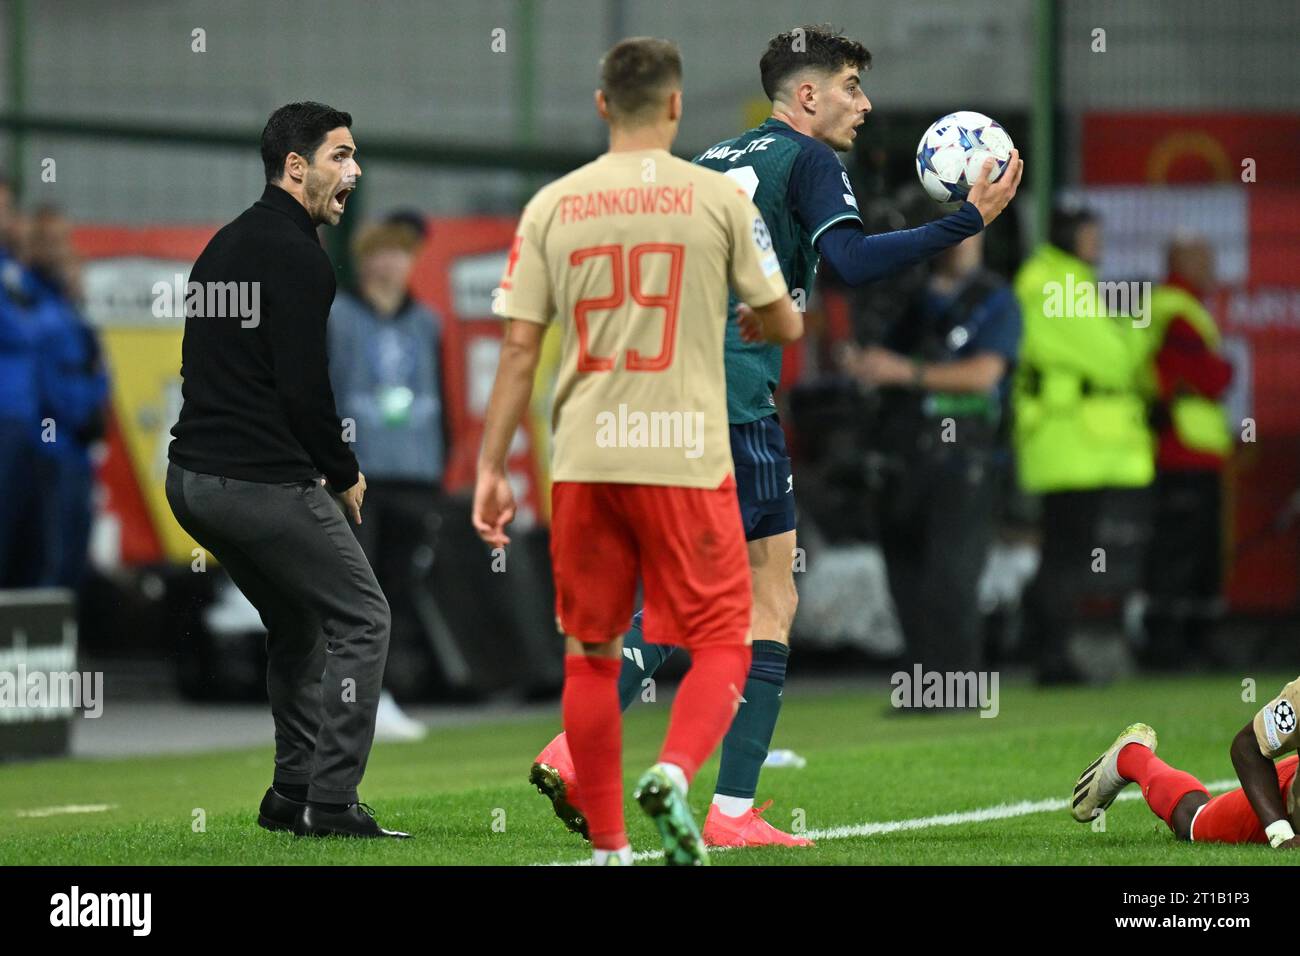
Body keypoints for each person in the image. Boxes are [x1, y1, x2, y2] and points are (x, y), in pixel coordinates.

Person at [531, 24, 1022, 849]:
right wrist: (965, 221)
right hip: (732, 401)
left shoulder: (716, 156)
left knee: (754, 592)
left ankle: (716, 801)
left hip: (667, 390)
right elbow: (857, 263)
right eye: (852, 88)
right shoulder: (810, 161)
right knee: (735, 600)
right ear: (807, 96)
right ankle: (671, 788)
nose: (864, 106)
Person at [475, 36, 799, 865]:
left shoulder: (552, 205)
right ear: (677, 107)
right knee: (728, 632)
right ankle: (678, 772)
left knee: (592, 651)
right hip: (684, 448)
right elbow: (781, 316)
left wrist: (490, 466)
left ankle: (612, 849)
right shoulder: (716, 198)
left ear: (600, 107)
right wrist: (771, 318)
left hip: (584, 454)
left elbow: (517, 350)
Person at [166, 101, 406, 839]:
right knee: (365, 617)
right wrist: (342, 471)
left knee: (298, 624)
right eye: (341, 156)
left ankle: (290, 791)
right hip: (255, 480)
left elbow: (203, 367)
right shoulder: (300, 257)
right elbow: (304, 390)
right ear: (295, 167)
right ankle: (331, 801)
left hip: (193, 481)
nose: (354, 172)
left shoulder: (225, 245)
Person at [846, 229, 1021, 679]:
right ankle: (922, 686)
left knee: (953, 578)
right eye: (951, 232)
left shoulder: (995, 299)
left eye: (969, 233)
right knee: (907, 577)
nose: (959, 244)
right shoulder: (908, 298)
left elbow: (984, 374)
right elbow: (868, 356)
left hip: (967, 458)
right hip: (904, 455)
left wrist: (904, 372)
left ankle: (958, 686)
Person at [1013, 206, 1153, 685]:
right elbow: (1115, 360)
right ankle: (1051, 659)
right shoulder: (1051, 282)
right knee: (1067, 555)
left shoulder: (1065, 279)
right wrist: (1134, 326)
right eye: (1090, 234)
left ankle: (1050, 652)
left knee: (1066, 551)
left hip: (1077, 443)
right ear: (1069, 235)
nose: (1097, 244)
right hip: (1070, 442)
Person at [329, 219, 447, 725]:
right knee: (357, 589)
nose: (391, 263)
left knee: (401, 590)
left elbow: (443, 397)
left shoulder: (427, 323)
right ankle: (346, 700)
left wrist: (443, 464)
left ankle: (386, 698)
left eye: (401, 253)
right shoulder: (336, 317)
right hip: (359, 473)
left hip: (416, 474)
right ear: (363, 259)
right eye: (381, 253)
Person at [1139, 235, 1233, 669]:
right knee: (1183, 555)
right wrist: (1223, 370)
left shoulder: (1178, 305)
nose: (1214, 265)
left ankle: (1184, 645)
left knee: (1187, 553)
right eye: (1206, 257)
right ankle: (1173, 648)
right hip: (1184, 449)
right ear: (1183, 260)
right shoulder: (1177, 308)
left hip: (1189, 449)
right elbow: (1210, 376)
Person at [1071, 677, 1300, 848]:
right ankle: (1133, 757)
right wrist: (1281, 834)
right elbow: (1247, 747)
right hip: (1288, 798)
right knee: (1194, 821)